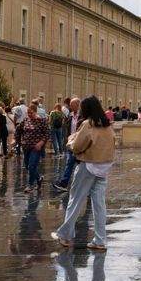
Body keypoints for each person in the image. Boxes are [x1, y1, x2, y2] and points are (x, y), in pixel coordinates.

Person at [52, 96, 116, 251]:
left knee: (75, 199)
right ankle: (100, 240)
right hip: (103, 166)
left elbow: (78, 146)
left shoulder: (88, 124)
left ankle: (65, 235)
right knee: (99, 203)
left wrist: (71, 141)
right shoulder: (107, 125)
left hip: (87, 165)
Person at [17, 103, 49, 191]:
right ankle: (38, 178)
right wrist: (15, 139)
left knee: (32, 166)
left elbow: (47, 134)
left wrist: (41, 142)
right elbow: (18, 130)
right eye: (28, 113)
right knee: (28, 166)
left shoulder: (42, 121)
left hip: (36, 147)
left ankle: (30, 185)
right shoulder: (26, 120)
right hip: (26, 146)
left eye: (31, 113)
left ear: (35, 112)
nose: (29, 114)